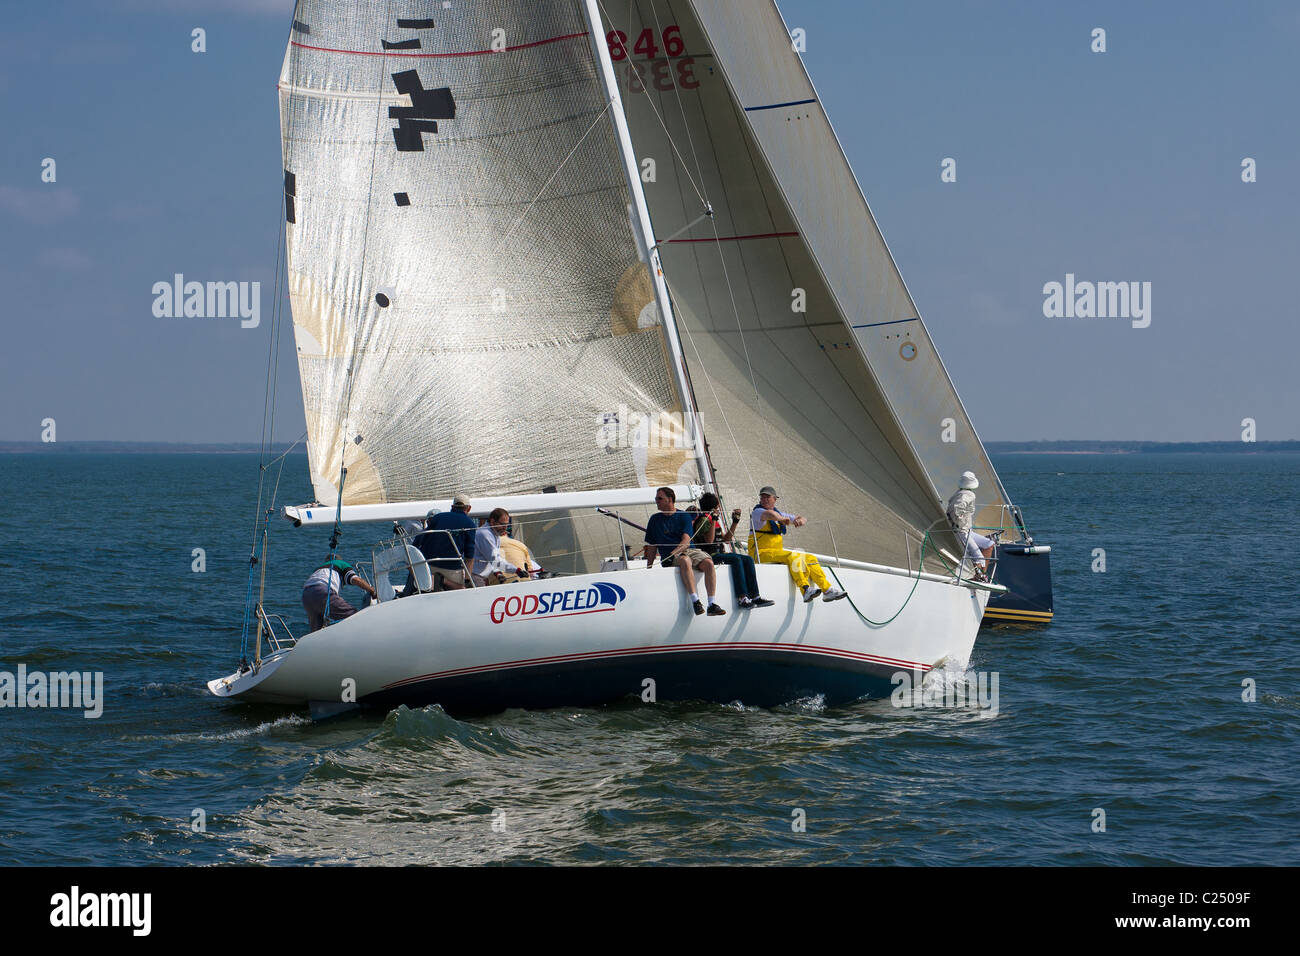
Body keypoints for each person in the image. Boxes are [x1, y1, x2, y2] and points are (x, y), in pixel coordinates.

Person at [748, 486, 846, 603]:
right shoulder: (757, 512)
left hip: (775, 553)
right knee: (792, 556)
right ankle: (805, 589)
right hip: (759, 553)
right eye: (762, 497)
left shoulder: (779, 513)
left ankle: (827, 591)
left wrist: (800, 521)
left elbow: (802, 518)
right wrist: (782, 519)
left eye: (767, 497)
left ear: (775, 499)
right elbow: (770, 515)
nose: (764, 499)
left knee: (810, 558)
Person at [642, 487, 725, 616]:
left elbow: (686, 541)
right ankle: (695, 601)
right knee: (685, 560)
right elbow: (652, 545)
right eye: (656, 499)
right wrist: (649, 567)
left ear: (670, 500)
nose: (656, 501)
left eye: (659, 498)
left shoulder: (684, 516)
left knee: (709, 563)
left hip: (686, 551)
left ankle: (712, 604)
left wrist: (673, 554)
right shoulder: (654, 519)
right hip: (674, 556)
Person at [692, 492, 774, 609]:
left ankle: (755, 596)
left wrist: (735, 522)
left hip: (720, 553)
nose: (719, 509)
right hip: (708, 556)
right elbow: (709, 541)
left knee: (747, 559)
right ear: (714, 507)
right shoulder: (704, 520)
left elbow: (726, 539)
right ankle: (742, 597)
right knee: (736, 559)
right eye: (718, 506)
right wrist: (714, 519)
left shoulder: (712, 519)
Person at [413, 493, 477, 590]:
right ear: (469, 508)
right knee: (460, 591)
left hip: (430, 565)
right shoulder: (470, 523)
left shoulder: (438, 517)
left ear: (452, 506)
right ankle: (442, 581)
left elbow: (419, 539)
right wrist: (467, 580)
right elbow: (469, 556)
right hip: (452, 569)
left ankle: (439, 580)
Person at [301, 557, 377, 632]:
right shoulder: (340, 563)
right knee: (353, 616)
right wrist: (372, 591)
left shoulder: (318, 569)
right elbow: (355, 579)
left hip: (306, 595)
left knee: (317, 631)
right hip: (322, 591)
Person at [947, 471, 995, 581]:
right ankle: (979, 577)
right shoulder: (968, 495)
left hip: (965, 530)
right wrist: (959, 522)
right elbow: (956, 509)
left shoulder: (959, 493)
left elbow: (953, 509)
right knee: (978, 556)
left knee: (989, 544)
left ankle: (982, 574)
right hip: (961, 530)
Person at [472, 508, 530, 586]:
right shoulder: (485, 534)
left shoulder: (494, 534)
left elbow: (494, 559)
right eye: (502, 524)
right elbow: (495, 560)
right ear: (492, 522)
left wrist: (498, 573)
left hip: (481, 576)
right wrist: (517, 570)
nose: (505, 528)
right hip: (475, 575)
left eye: (507, 524)